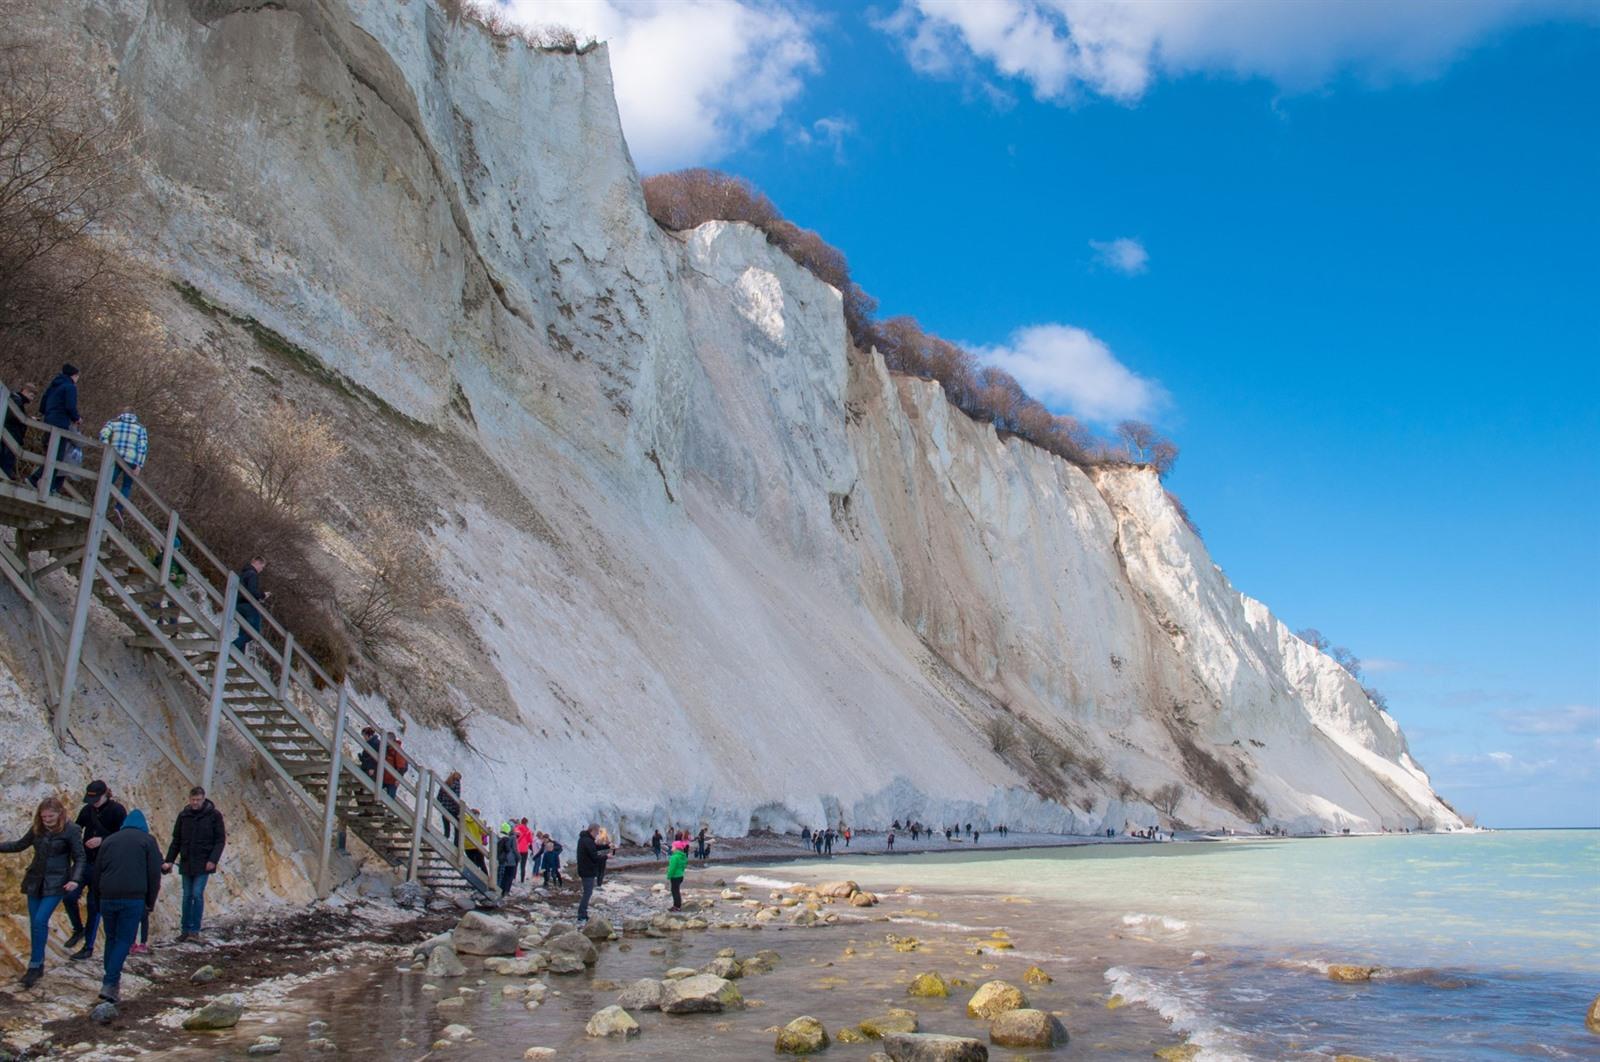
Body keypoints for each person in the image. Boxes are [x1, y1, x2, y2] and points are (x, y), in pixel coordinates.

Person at [1, 797, 85, 987]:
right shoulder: (38, 828)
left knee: (40, 920)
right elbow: (19, 845)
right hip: (35, 880)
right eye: (44, 816)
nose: (47, 819)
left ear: (60, 813)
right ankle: (37, 965)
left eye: (50, 816)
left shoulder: (71, 830)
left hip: (57, 882)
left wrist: (75, 879)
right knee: (35, 923)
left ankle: (34, 965)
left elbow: (80, 857)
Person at [91, 808, 162, 1003]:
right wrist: (150, 902)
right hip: (132, 898)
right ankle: (110, 982)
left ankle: (112, 984)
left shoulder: (110, 840)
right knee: (125, 939)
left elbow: (97, 872)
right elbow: (154, 875)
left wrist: (97, 899)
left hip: (107, 897)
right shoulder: (147, 841)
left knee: (111, 939)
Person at [66, 780, 126, 961]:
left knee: (94, 905)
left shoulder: (117, 811)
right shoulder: (87, 810)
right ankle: (78, 929)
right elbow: (76, 830)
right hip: (84, 862)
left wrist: (102, 840)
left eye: (96, 800)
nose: (93, 803)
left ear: (105, 795)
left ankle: (88, 947)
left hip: (105, 865)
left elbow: (124, 836)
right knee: (68, 896)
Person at [163, 785, 225, 943]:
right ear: (189, 799)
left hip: (203, 863)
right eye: (193, 800)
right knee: (187, 896)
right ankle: (185, 929)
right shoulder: (184, 815)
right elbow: (176, 840)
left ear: (203, 799)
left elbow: (220, 840)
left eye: (198, 800)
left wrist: (213, 860)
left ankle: (194, 930)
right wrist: (169, 860)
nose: (195, 803)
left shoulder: (214, 816)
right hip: (187, 861)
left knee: (197, 895)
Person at [29, 363, 81, 495]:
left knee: (49, 454)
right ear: (73, 375)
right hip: (60, 424)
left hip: (49, 420)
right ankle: (41, 483)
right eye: (77, 376)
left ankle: (43, 484)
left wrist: (45, 413)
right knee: (57, 457)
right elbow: (70, 406)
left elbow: (43, 403)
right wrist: (76, 418)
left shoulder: (54, 385)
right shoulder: (70, 387)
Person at [97, 410, 149, 517]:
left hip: (115, 457)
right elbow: (142, 447)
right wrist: (139, 465)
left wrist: (108, 448)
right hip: (131, 460)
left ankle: (99, 503)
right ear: (134, 416)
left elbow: (103, 434)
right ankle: (118, 508)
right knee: (126, 486)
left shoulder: (113, 422)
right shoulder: (140, 428)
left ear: (122, 414)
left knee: (108, 481)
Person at [1, 381, 37, 480]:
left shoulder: (16, 399)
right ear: (24, 391)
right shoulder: (16, 400)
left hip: (10, 434)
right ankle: (6, 474)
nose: (33, 396)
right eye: (31, 393)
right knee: (7, 456)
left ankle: (6, 474)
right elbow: (13, 417)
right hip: (10, 433)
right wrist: (28, 419)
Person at [575, 823, 609, 924]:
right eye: (597, 832)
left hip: (586, 870)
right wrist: (607, 855)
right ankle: (581, 915)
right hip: (587, 870)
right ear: (592, 830)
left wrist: (607, 848)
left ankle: (583, 914)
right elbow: (594, 855)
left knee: (587, 892)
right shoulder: (587, 841)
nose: (597, 834)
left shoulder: (586, 840)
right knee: (587, 893)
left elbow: (595, 849)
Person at [231, 556, 268, 652]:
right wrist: (263, 595)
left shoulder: (243, 573)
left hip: (238, 604)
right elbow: (252, 591)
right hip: (246, 605)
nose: (261, 570)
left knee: (243, 630)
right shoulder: (252, 574)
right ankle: (233, 647)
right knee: (253, 631)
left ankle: (238, 653)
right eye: (262, 567)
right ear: (257, 563)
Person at [381, 733, 409, 800]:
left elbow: (402, 766)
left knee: (390, 798)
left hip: (392, 780)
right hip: (383, 777)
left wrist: (398, 779)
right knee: (375, 792)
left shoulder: (397, 750)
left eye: (387, 739)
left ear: (391, 740)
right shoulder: (386, 749)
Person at [437, 772, 462, 841]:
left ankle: (445, 838)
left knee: (446, 827)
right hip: (453, 809)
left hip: (444, 808)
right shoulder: (457, 783)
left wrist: (444, 803)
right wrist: (459, 810)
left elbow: (439, 797)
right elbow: (456, 797)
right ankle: (456, 845)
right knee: (458, 826)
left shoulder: (446, 783)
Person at [666, 837, 688, 912]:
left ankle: (676, 907)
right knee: (677, 891)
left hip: (675, 876)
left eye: (673, 846)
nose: (671, 848)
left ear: (676, 848)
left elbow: (672, 868)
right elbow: (683, 866)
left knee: (674, 891)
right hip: (680, 876)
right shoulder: (682, 857)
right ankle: (677, 906)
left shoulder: (674, 857)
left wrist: (669, 875)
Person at [495, 823, 517, 896]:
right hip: (503, 858)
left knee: (499, 874)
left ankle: (497, 887)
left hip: (497, 857)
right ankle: (499, 890)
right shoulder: (506, 838)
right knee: (502, 874)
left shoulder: (497, 836)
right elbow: (508, 849)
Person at [515, 818, 534, 882]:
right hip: (525, 850)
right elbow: (530, 840)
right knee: (523, 866)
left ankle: (513, 878)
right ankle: (522, 880)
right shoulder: (528, 830)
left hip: (517, 849)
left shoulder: (517, 828)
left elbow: (515, 837)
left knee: (515, 864)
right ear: (526, 823)